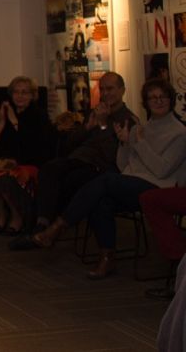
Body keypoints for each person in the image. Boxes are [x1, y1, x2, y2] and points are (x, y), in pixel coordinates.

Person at [33, 79, 186, 279]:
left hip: (159, 187)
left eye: (162, 97)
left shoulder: (179, 132)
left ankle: (57, 227)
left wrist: (138, 143)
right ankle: (107, 257)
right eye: (153, 98)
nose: (158, 101)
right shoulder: (142, 127)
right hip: (133, 182)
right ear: (146, 102)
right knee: (100, 200)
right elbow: (125, 166)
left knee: (105, 180)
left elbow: (162, 170)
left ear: (170, 99)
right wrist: (125, 144)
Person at [12, 72, 138, 248]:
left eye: (110, 89)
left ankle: (43, 231)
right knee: (49, 169)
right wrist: (87, 128)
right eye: (102, 89)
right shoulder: (95, 111)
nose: (106, 93)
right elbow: (70, 143)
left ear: (122, 90)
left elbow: (112, 156)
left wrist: (102, 125)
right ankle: (41, 225)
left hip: (100, 167)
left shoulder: (128, 119)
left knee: (69, 181)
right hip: (78, 158)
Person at [0, 77, 52, 235]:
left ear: (32, 95)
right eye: (16, 92)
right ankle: (1, 214)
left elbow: (30, 146)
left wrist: (14, 122)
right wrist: (2, 121)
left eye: (24, 92)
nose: (19, 96)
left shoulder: (38, 115)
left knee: (8, 176)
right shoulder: (8, 112)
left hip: (31, 161)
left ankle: (17, 216)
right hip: (11, 160)